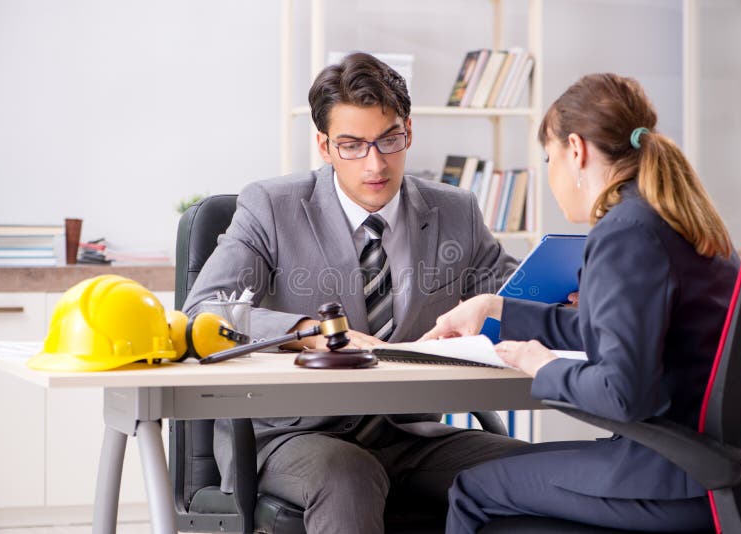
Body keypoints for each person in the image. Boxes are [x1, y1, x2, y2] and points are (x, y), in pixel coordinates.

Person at [183, 52, 526, 533]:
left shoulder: (456, 211)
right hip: (291, 434)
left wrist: (564, 298)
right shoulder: (271, 207)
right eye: (352, 145)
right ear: (324, 146)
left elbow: (516, 297)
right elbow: (204, 311)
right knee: (349, 473)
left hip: (408, 429)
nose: (376, 162)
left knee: (532, 473)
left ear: (409, 131)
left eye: (389, 140)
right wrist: (307, 333)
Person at [422, 73, 740, 533]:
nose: (551, 175)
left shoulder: (626, 232)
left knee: (472, 489)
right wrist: (496, 308)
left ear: (576, 150)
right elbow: (618, 337)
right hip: (719, 465)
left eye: (549, 158)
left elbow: (622, 392)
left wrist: (542, 365)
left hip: (673, 473)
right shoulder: (682, 220)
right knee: (519, 466)